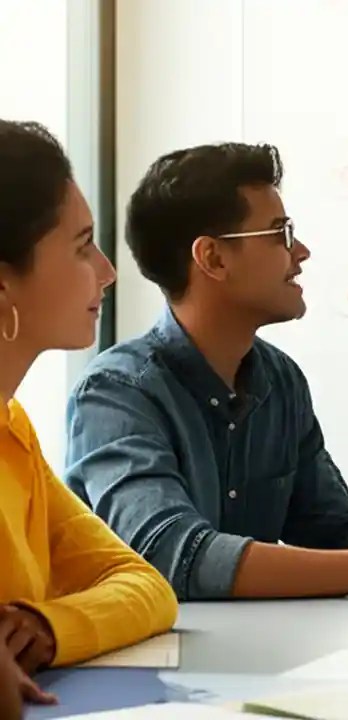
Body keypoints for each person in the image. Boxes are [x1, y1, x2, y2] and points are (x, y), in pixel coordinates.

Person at [64, 142, 348, 601]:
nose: (300, 251)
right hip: (143, 664)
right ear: (213, 259)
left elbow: (332, 528)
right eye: (279, 233)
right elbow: (173, 555)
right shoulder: (117, 393)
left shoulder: (280, 379)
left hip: (251, 656)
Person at [0, 120, 178, 702]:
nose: (108, 270)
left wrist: (48, 628)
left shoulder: (12, 430)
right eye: (82, 246)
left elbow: (146, 585)